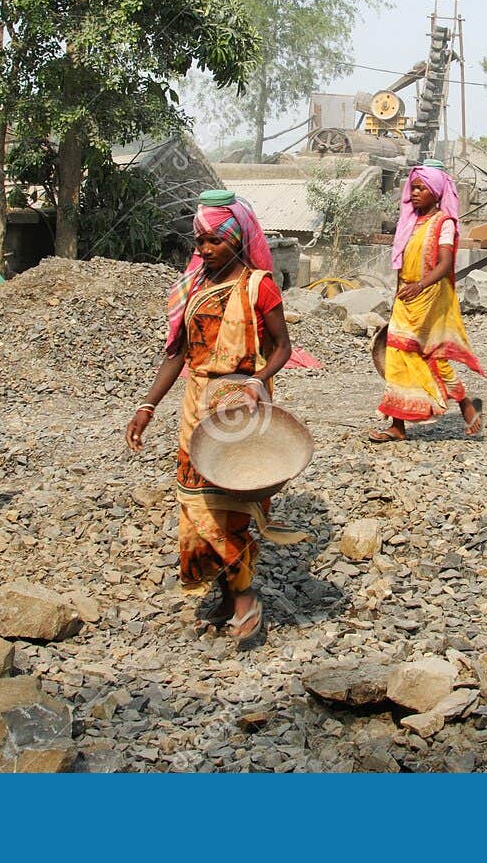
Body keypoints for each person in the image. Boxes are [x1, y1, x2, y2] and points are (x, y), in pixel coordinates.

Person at [125, 191, 304, 649]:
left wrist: (258, 380)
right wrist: (147, 406)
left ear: (237, 240)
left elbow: (283, 348)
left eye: (213, 241)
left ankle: (245, 599)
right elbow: (177, 354)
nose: (204, 250)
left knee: (232, 506)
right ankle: (227, 595)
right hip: (197, 404)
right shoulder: (193, 287)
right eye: (199, 241)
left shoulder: (259, 286)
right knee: (196, 504)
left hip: (241, 409)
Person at [372, 162, 484, 441]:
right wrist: (400, 293)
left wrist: (420, 285)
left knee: (431, 355)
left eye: (422, 188)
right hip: (406, 295)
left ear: (435, 192)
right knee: (397, 354)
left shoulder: (443, 223)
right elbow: (402, 263)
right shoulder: (408, 223)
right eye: (413, 188)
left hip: (430, 295)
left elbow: (444, 264)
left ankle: (464, 402)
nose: (415, 193)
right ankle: (398, 425)